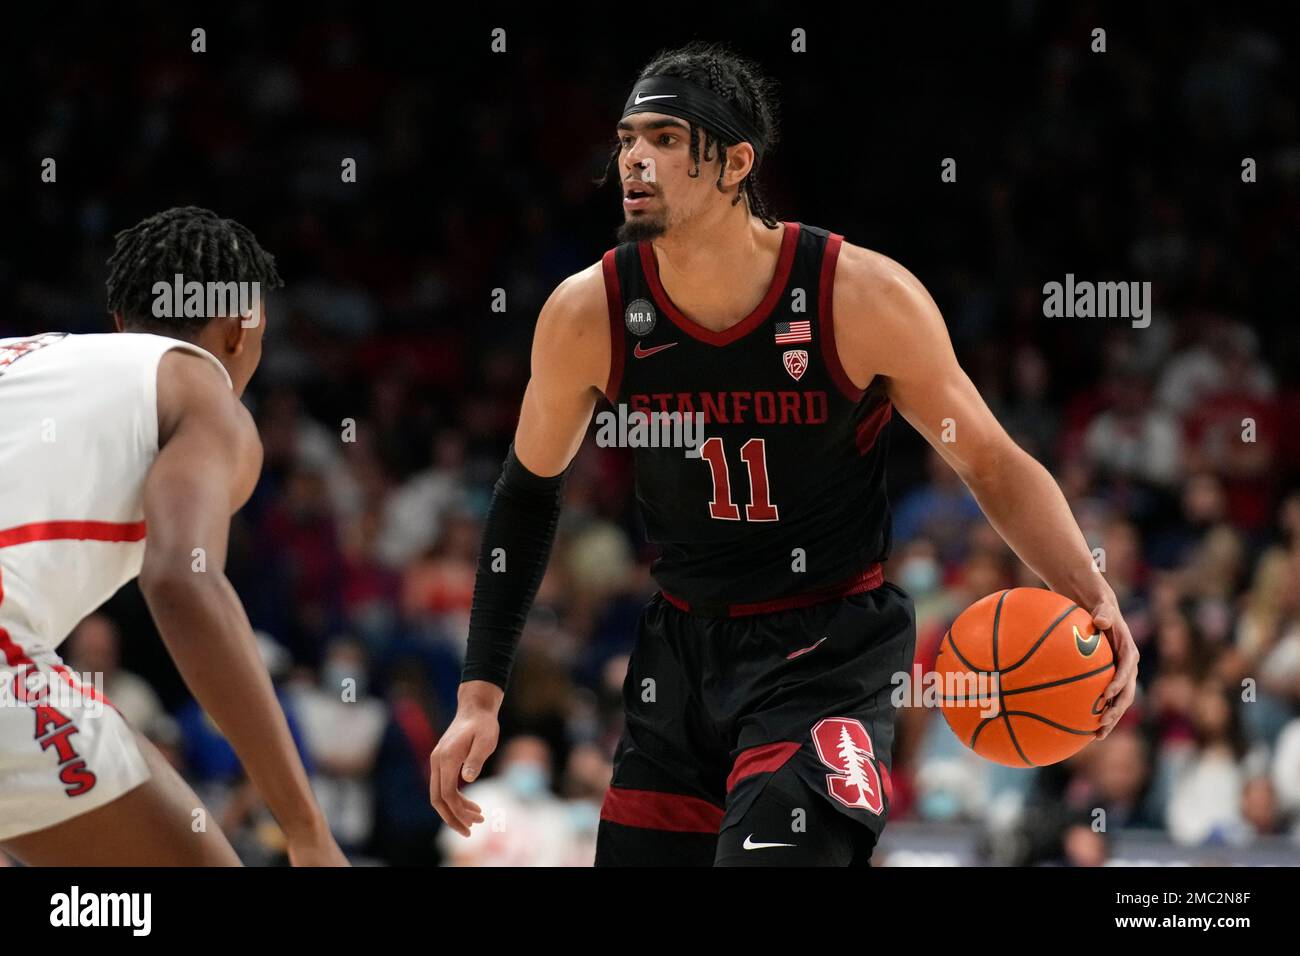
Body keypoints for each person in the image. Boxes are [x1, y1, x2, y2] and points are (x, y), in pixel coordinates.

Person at [430, 42, 1138, 866]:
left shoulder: (858, 297)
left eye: (664, 137)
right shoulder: (588, 313)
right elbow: (525, 493)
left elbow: (988, 460)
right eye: (628, 138)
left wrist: (1091, 590)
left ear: (734, 162)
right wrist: (479, 695)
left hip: (826, 652)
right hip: (679, 658)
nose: (633, 158)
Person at [0, 206, 345, 866]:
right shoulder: (203, 391)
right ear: (246, 328)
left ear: (121, 323)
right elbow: (180, 579)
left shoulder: (28, 359)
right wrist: (306, 827)